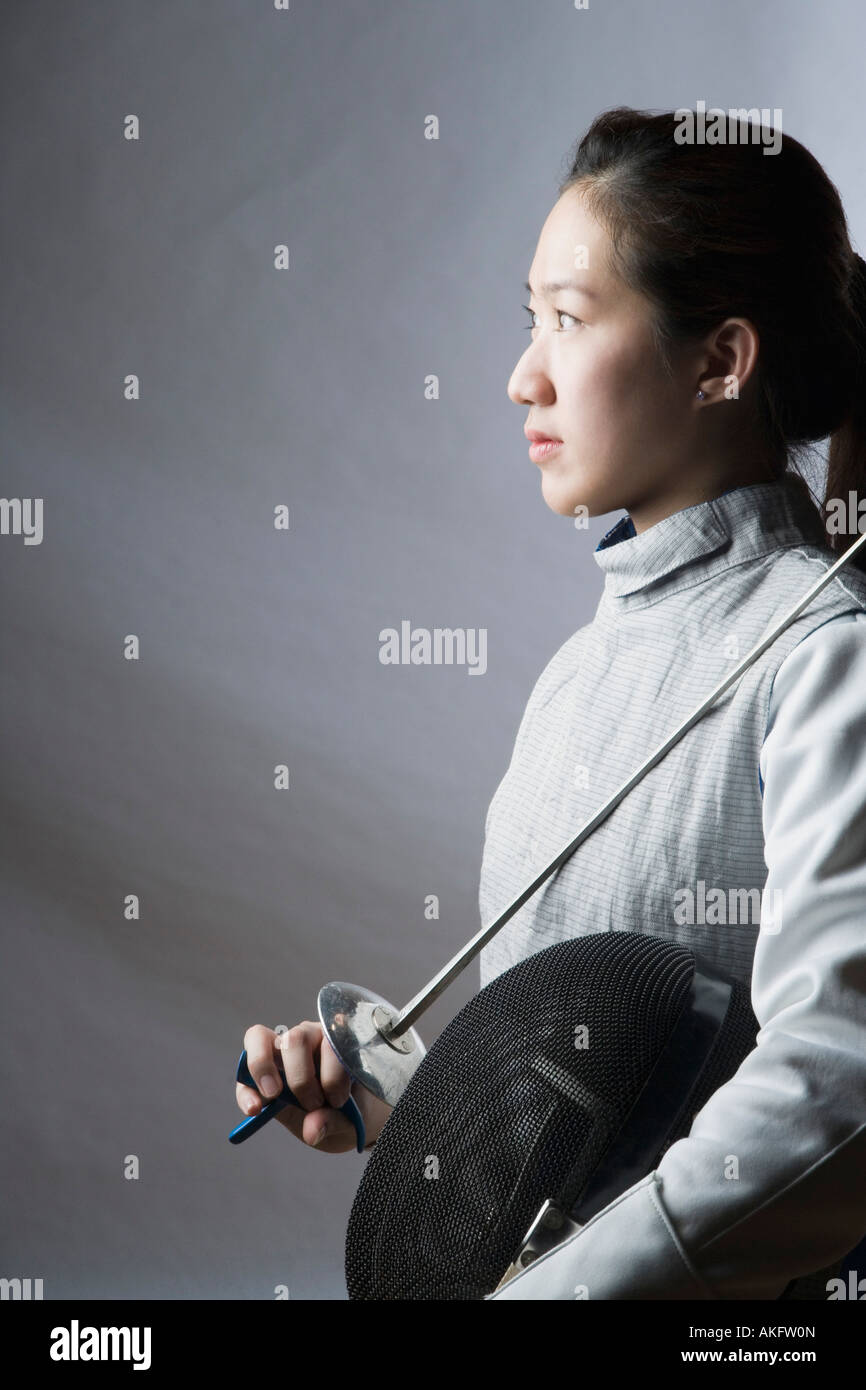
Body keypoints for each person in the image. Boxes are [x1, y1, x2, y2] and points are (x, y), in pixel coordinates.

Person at [236, 106, 866, 1299]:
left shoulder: (824, 662)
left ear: (719, 360)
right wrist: (404, 1111)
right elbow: (609, 1092)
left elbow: (834, 1092)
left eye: (569, 321)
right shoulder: (583, 669)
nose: (520, 374)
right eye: (528, 319)